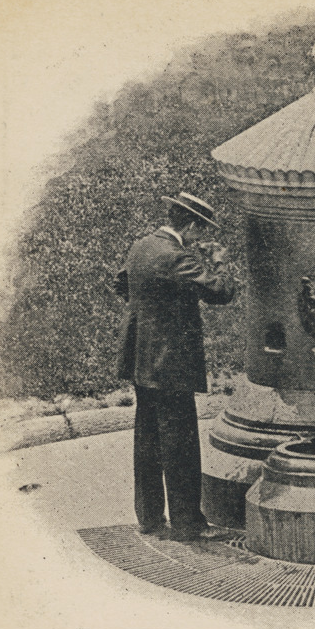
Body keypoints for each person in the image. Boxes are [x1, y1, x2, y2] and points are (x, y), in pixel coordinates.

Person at [113, 192, 236, 542]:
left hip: (140, 359)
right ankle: (188, 524)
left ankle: (149, 517)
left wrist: (153, 312)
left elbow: (121, 283)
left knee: (147, 438)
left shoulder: (142, 246)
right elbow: (222, 292)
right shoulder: (176, 258)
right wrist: (218, 261)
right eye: (203, 229)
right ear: (193, 225)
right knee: (180, 442)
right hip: (171, 363)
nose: (202, 236)